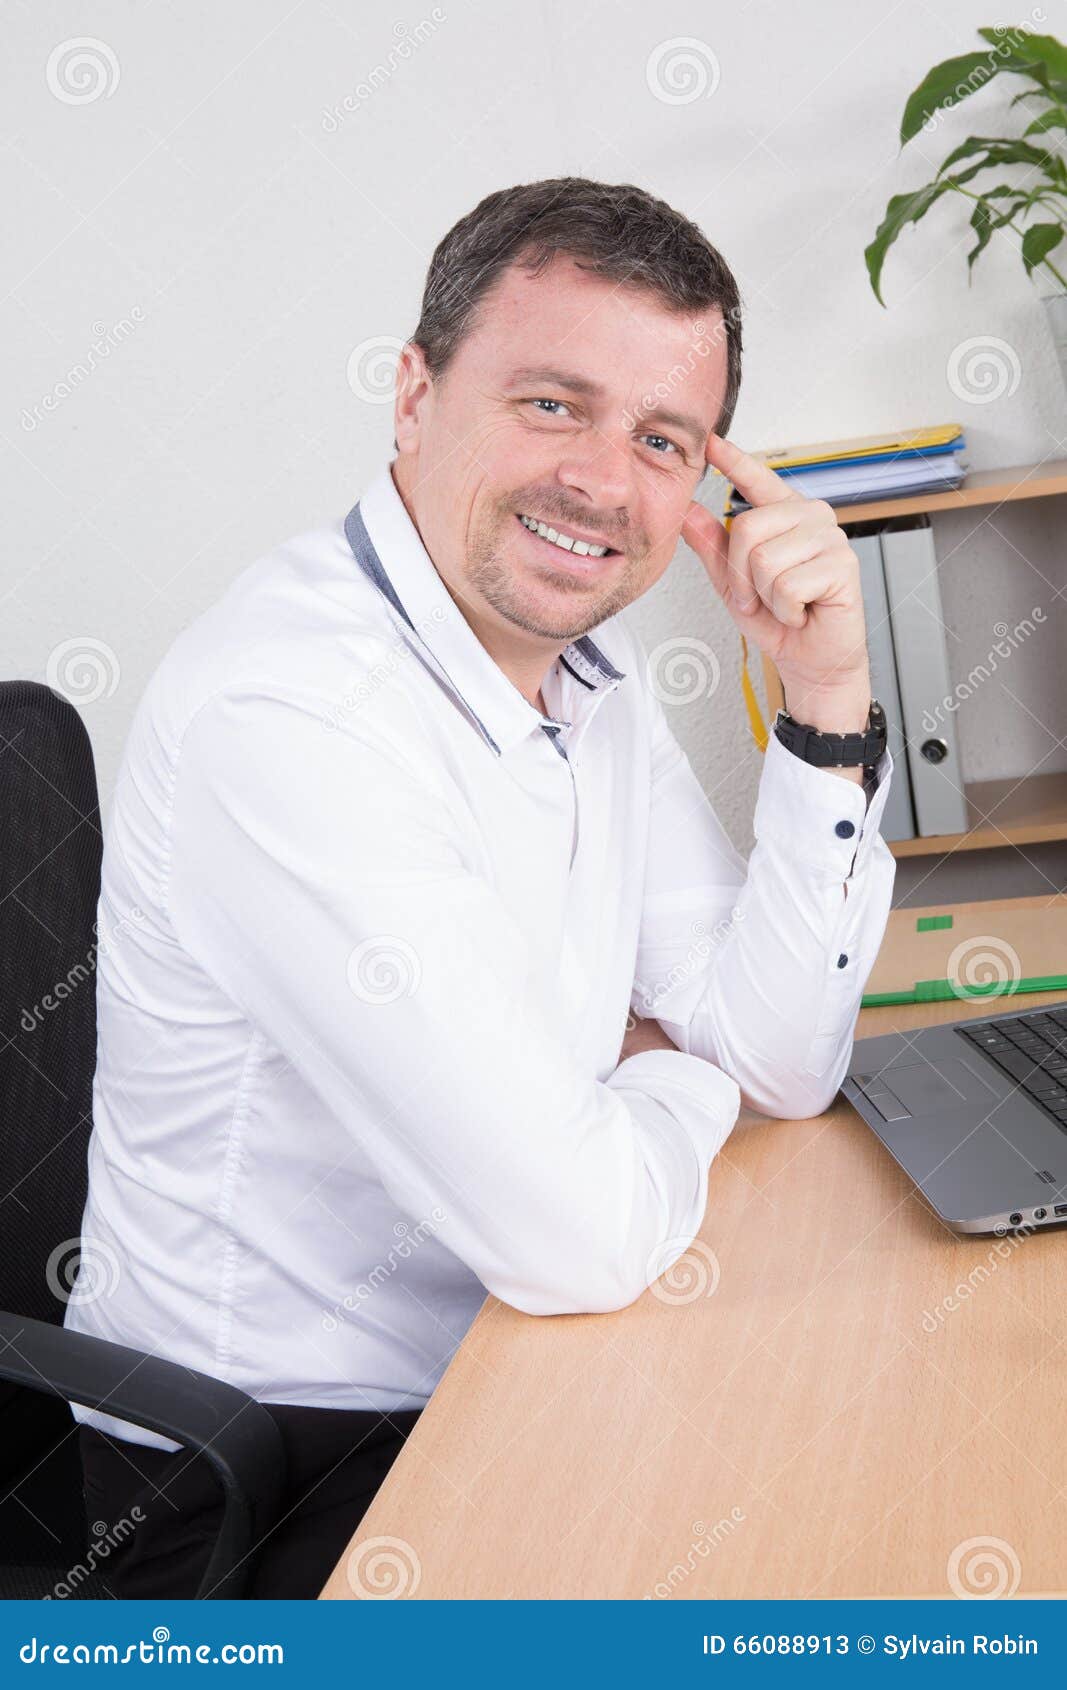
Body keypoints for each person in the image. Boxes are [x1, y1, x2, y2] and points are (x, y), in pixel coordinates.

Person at [65, 175, 895, 1599]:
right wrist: (676, 1076)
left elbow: (779, 1058)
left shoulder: (585, 667)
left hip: (517, 1365)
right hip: (265, 1479)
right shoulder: (291, 713)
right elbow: (579, 1234)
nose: (602, 483)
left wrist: (826, 697)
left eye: (661, 440)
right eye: (552, 404)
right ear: (413, 395)